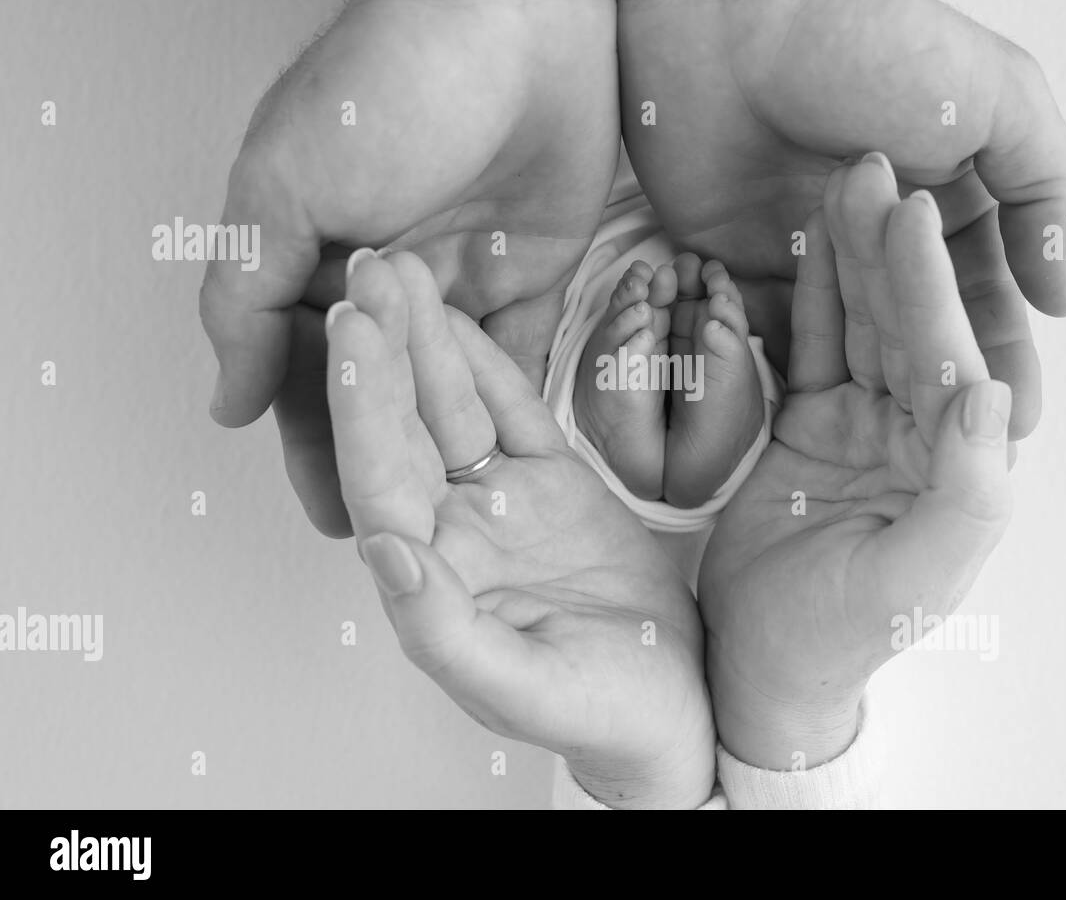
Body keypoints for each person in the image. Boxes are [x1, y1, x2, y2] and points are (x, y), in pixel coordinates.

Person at [201, 0, 1066, 539]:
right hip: (606, 234)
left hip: (552, 263)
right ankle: (671, 437)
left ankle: (651, 436)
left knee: (519, 407)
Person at [324, 153, 1013, 808]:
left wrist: (656, 772)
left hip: (606, 499)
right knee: (580, 421)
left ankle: (669, 443)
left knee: (553, 414)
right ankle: (699, 447)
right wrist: (783, 711)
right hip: (728, 501)